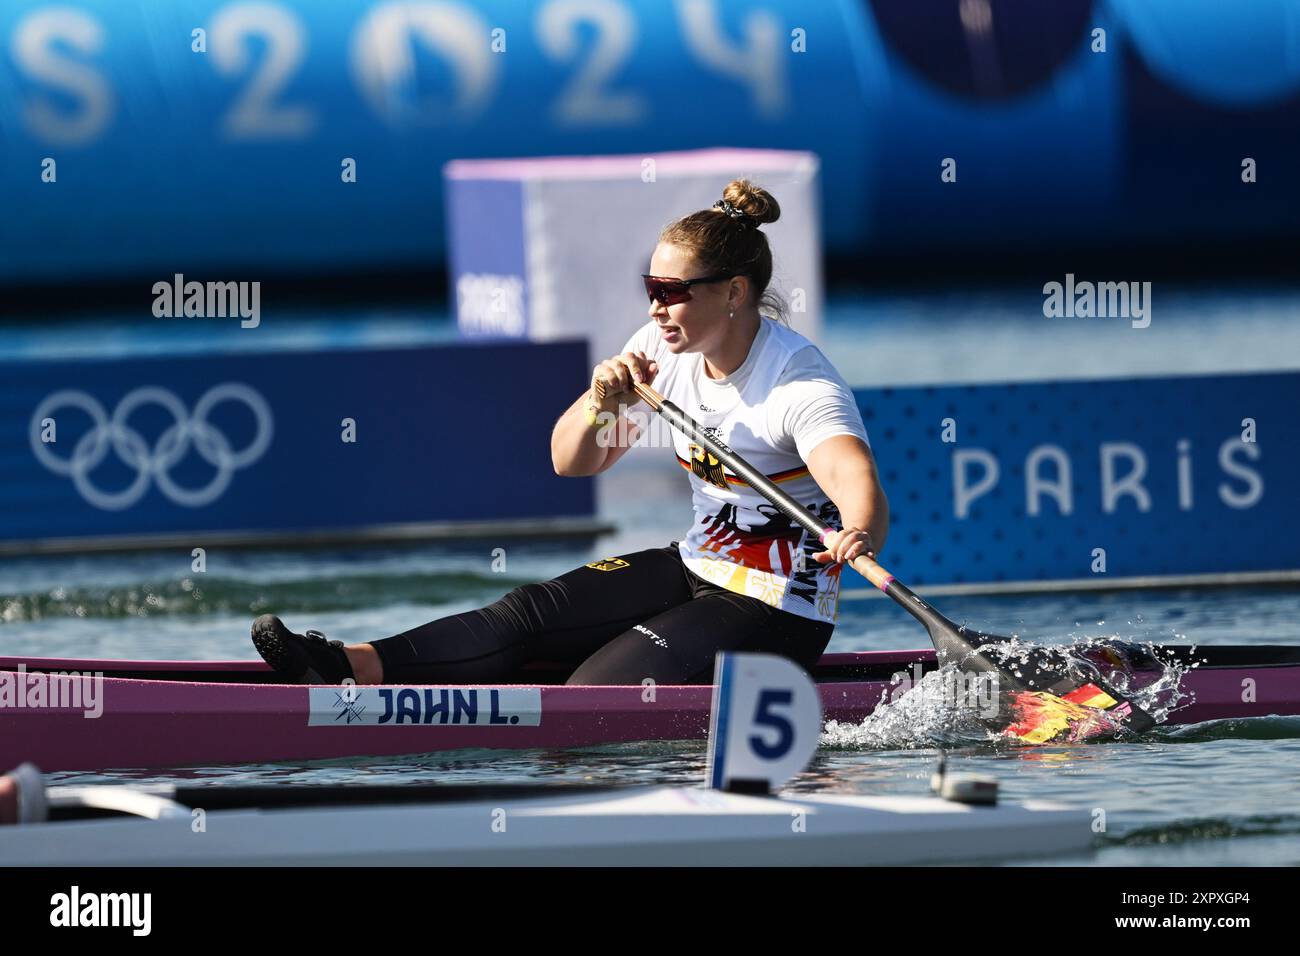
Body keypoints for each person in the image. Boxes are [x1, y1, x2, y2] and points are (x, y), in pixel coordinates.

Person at [251, 180, 889, 686]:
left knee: (594, 689)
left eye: (671, 292)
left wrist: (858, 528)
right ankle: (344, 667)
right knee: (528, 614)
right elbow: (571, 462)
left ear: (733, 292)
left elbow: (855, 482)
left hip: (779, 609)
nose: (654, 308)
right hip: (698, 565)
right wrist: (599, 401)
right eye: (650, 288)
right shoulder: (660, 349)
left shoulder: (797, 383)